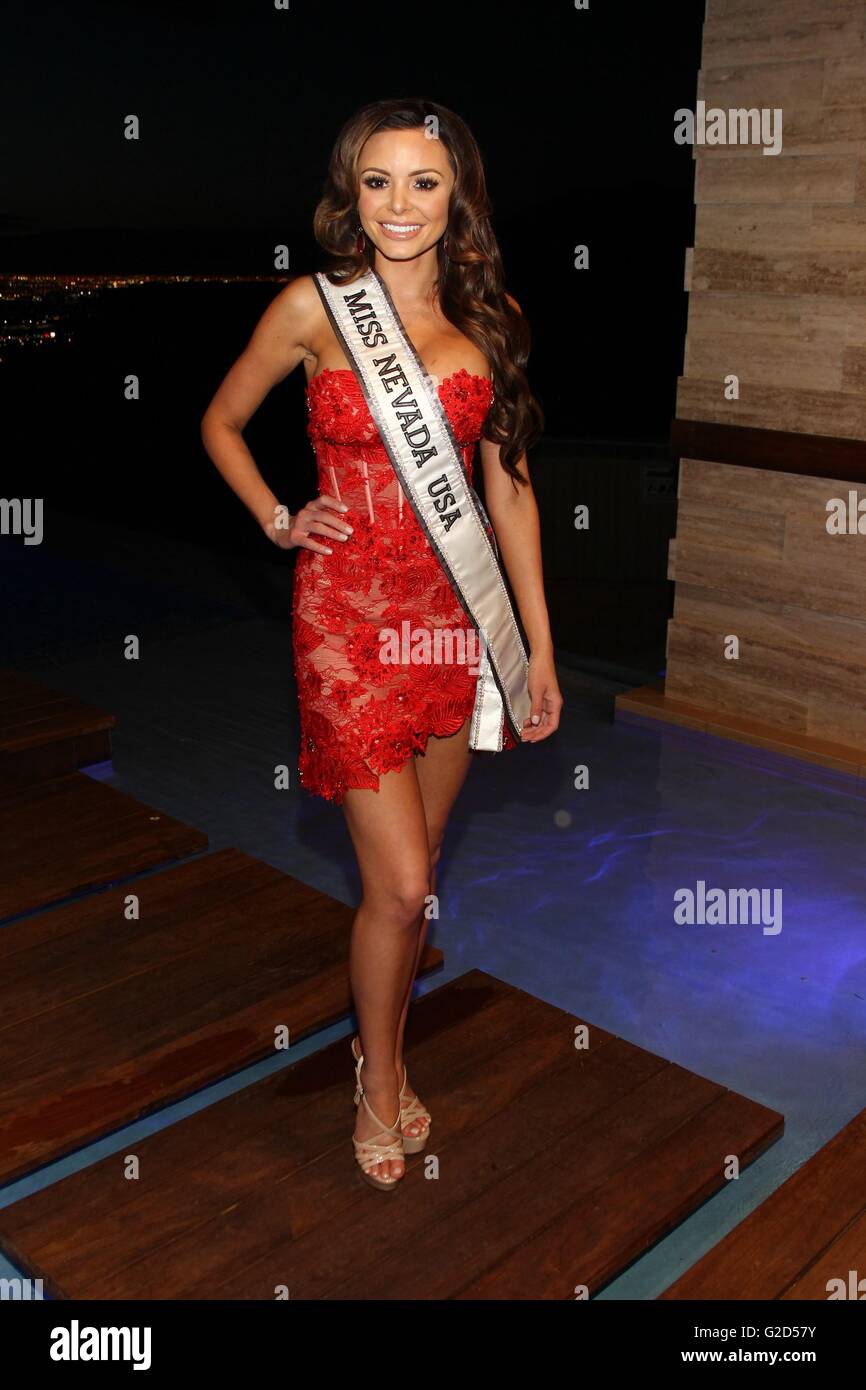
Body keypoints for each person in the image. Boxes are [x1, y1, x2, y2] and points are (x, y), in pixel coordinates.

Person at [201, 97, 562, 1192]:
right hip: (346, 627)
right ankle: (374, 1079)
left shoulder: (488, 312)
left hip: (449, 625)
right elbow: (219, 421)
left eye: (422, 183)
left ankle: (383, 1040)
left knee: (423, 871)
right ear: (347, 192)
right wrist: (278, 515)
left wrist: (538, 651)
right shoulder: (314, 308)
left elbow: (508, 494)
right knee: (400, 886)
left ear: (458, 198)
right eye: (377, 181)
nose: (398, 205)